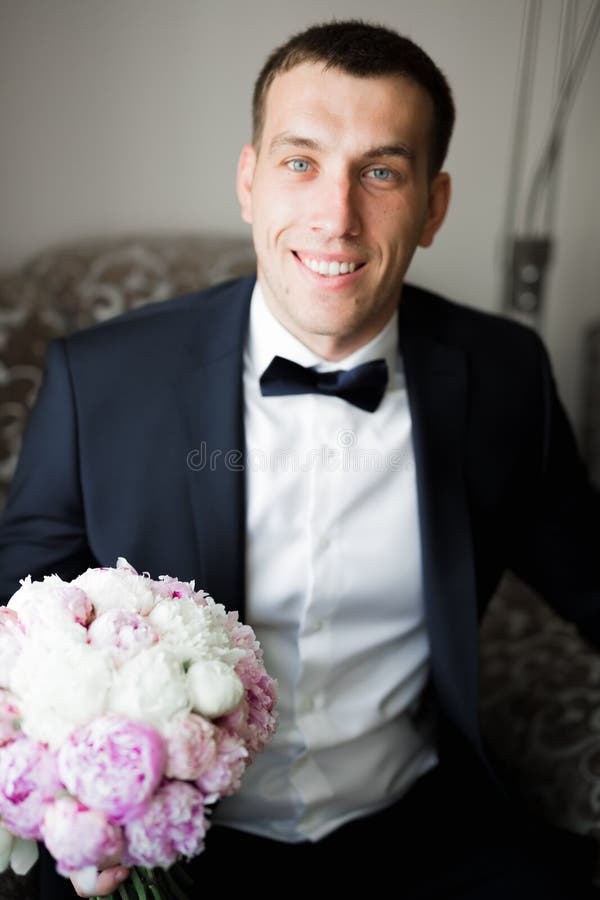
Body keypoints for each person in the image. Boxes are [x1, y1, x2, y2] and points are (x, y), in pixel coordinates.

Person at [1, 19, 599, 900]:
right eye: (300, 162)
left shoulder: (503, 375)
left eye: (381, 172)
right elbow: (12, 634)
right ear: (249, 181)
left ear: (433, 206)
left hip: (419, 826)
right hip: (173, 856)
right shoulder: (101, 382)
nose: (336, 216)